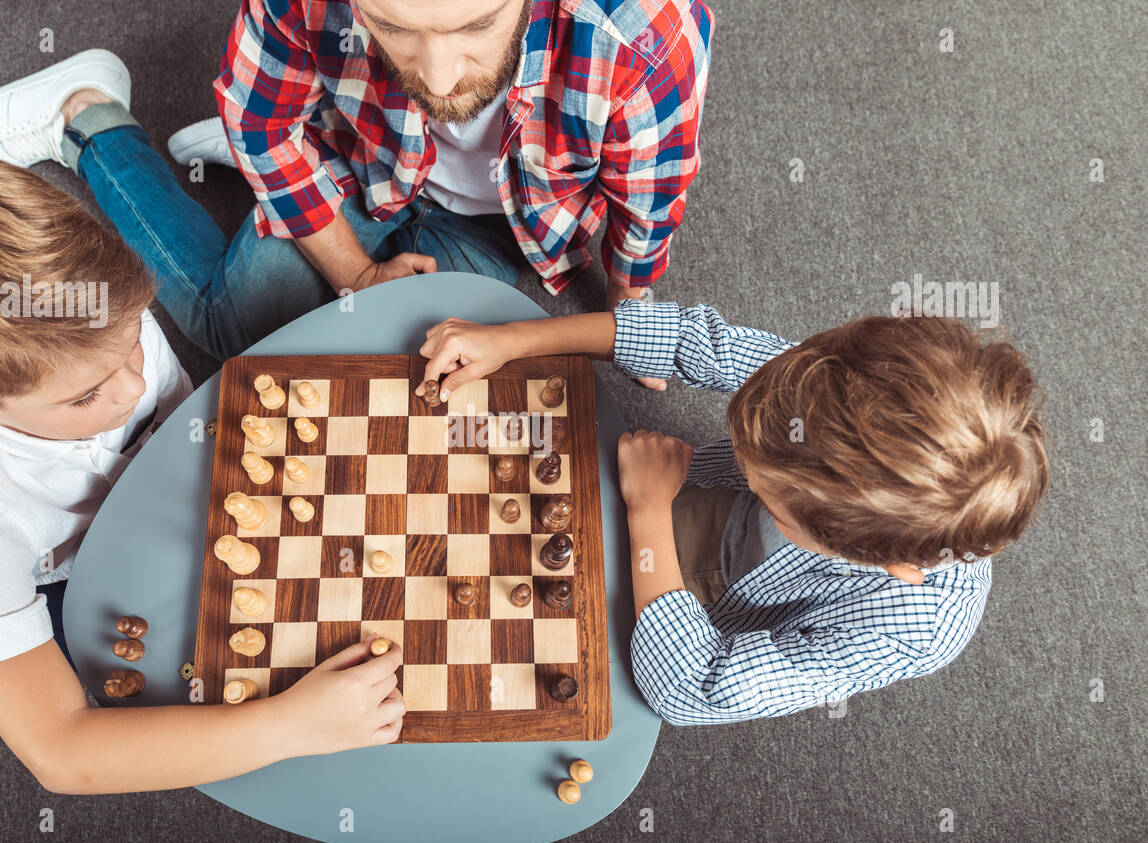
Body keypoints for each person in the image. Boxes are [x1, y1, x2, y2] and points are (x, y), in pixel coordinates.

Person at [0, 153, 406, 793]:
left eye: (132, 338)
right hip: (58, 565)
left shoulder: (91, 315)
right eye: (87, 397)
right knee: (146, 686)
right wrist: (287, 727)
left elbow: (167, 409)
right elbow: (60, 751)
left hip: (156, 483)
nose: (135, 385)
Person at [0, 0, 712, 359]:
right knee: (240, 339)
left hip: (507, 222)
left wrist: (630, 307)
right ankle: (90, 116)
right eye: (394, 26)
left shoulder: (646, 35)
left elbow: (647, 199)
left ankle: (277, 180)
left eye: (477, 26)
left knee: (409, 364)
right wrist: (355, 271)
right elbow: (261, 123)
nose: (440, 78)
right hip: (356, 159)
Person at [413, 301, 1050, 723]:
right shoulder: (836, 389)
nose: (742, 456)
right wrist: (515, 339)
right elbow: (699, 341)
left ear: (881, 560)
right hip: (666, 499)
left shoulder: (914, 630)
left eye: (765, 483)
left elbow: (692, 689)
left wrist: (648, 511)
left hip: (700, 599)